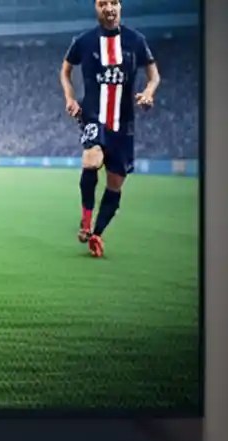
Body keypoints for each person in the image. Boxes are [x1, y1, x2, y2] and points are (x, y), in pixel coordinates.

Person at [60, 0, 160, 258]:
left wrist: (149, 92)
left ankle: (97, 234)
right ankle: (85, 219)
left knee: (115, 186)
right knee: (91, 160)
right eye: (103, 3)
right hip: (93, 116)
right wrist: (70, 98)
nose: (109, 8)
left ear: (120, 6)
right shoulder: (84, 41)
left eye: (113, 2)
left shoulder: (135, 40)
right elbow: (65, 70)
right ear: (96, 8)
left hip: (123, 125)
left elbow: (154, 75)